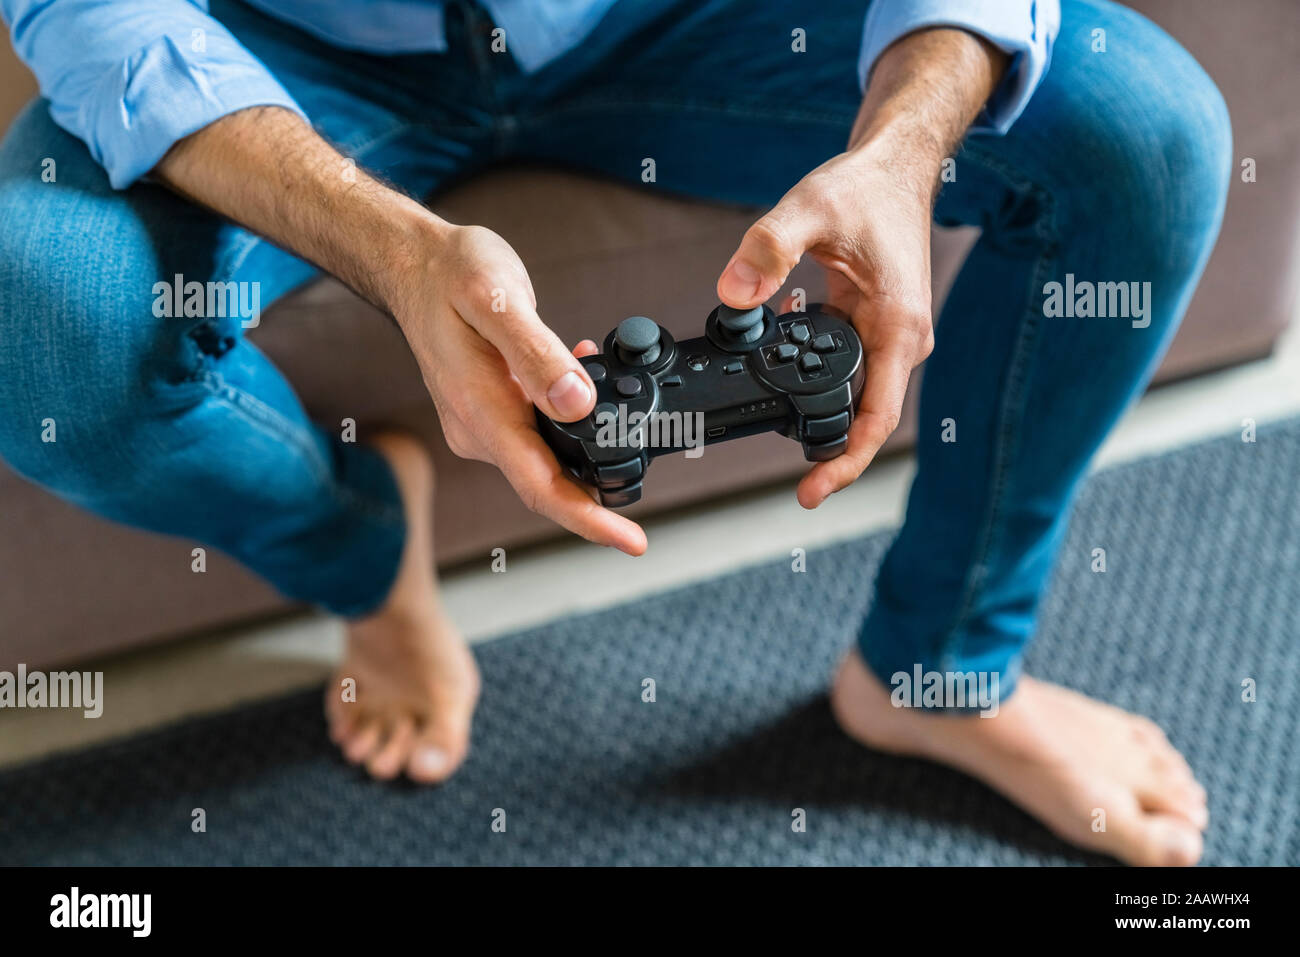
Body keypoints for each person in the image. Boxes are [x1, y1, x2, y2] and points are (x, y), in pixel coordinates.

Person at [0, 0, 1229, 865]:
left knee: (1144, 138)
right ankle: (367, 559)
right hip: (275, 47)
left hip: (668, 16)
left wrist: (903, 144)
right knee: (38, 331)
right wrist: (398, 256)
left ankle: (934, 669)